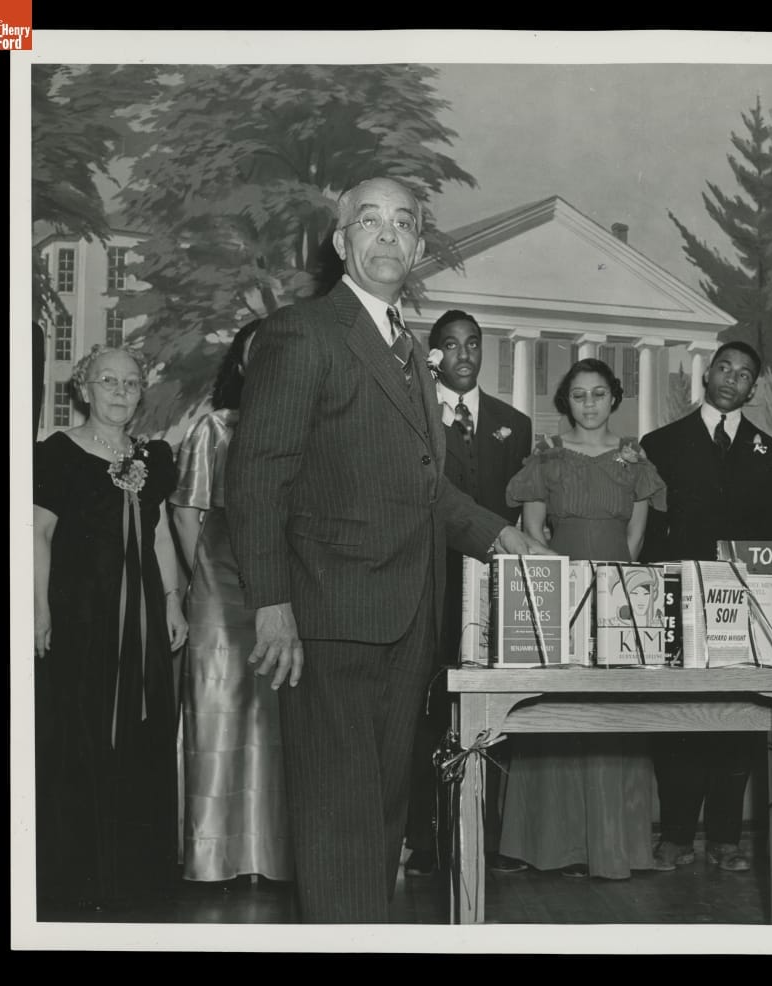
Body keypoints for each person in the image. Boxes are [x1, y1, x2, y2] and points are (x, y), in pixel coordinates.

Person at [224, 177, 547, 923]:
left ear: (419, 246)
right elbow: (256, 478)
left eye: (404, 223)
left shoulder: (403, 345)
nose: (387, 235)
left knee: (380, 816)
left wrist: (503, 537)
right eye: (368, 221)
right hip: (328, 616)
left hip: (407, 618)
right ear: (341, 244)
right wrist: (273, 606)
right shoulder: (303, 332)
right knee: (339, 817)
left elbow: (426, 487)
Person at [33, 344, 189, 912]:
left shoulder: (156, 456)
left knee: (141, 735)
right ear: (83, 388)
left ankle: (135, 876)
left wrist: (172, 603)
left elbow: (161, 536)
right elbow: (39, 534)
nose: (120, 391)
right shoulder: (56, 453)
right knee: (80, 735)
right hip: (79, 617)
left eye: (130, 382)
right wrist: (38, 610)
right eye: (107, 380)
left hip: (142, 617)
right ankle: (78, 879)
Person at [498, 358, 667, 880]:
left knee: (610, 712)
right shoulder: (546, 458)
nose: (589, 404)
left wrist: (613, 592)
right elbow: (531, 534)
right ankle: (550, 844)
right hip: (561, 589)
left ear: (614, 398)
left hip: (617, 596)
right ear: (565, 402)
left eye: (598, 394)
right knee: (558, 706)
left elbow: (635, 541)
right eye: (578, 395)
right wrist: (565, 588)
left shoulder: (634, 461)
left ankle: (613, 843)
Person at [640, 341, 772, 873]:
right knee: (679, 718)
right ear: (709, 374)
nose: (731, 379)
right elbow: (651, 534)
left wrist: (766, 603)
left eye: (744, 374)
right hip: (679, 596)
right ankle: (677, 835)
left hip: (742, 603)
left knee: (735, 718)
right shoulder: (660, 443)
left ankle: (726, 838)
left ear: (753, 387)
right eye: (724, 368)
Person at [403, 309, 532, 879]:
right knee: (430, 708)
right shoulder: (415, 414)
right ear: (436, 354)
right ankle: (428, 842)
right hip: (429, 580)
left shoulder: (513, 422)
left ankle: (485, 838)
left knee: (494, 707)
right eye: (450, 345)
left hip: (494, 587)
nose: (463, 354)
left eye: (473, 344)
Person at [170, 320, 294, 885]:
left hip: (285, 589)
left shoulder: (303, 429)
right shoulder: (214, 429)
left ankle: (273, 860)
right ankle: (214, 857)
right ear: (241, 364)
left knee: (277, 720)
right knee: (219, 714)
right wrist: (208, 578)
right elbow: (186, 510)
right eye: (256, 352)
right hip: (220, 586)